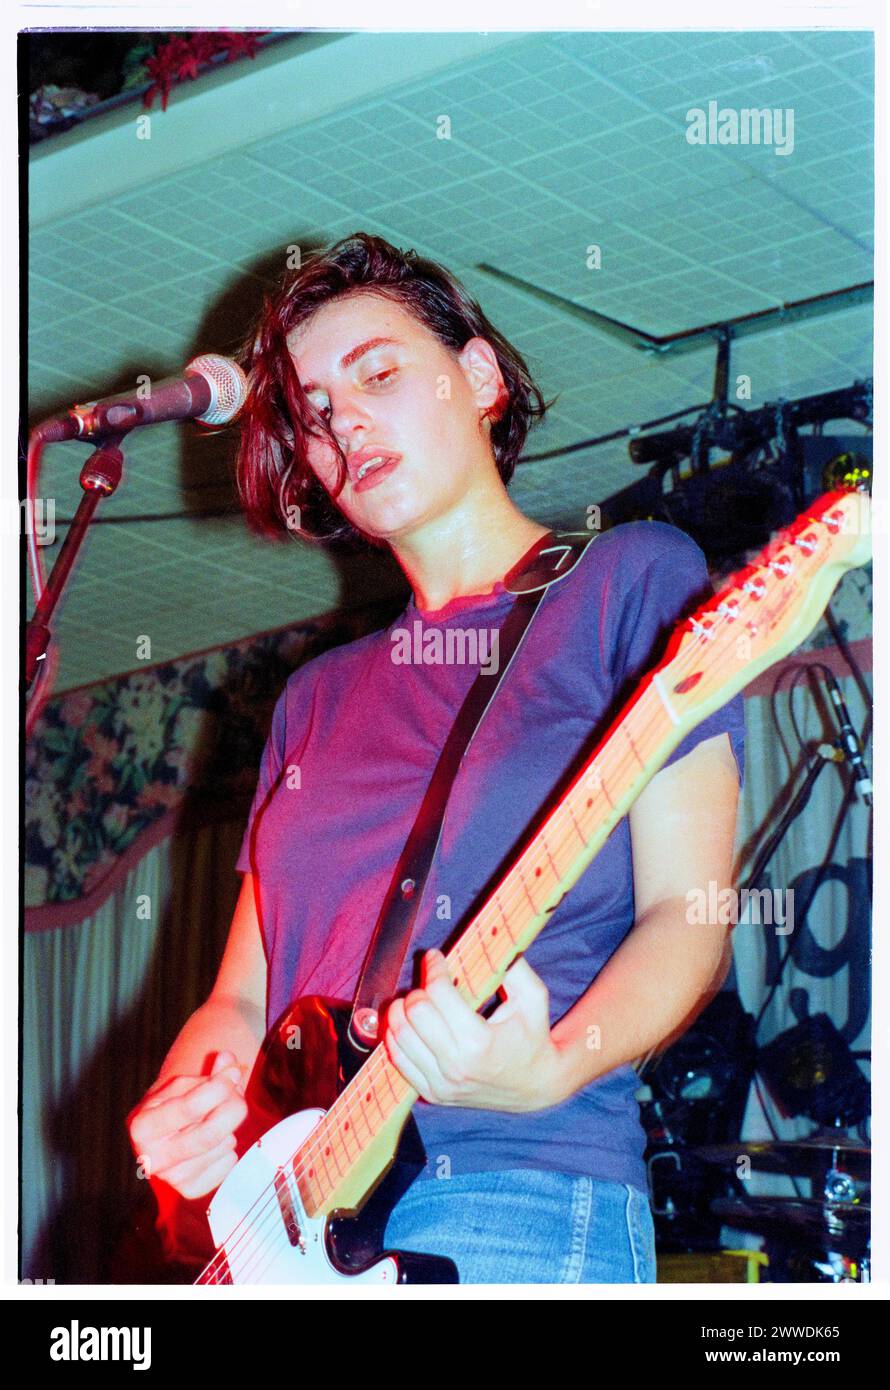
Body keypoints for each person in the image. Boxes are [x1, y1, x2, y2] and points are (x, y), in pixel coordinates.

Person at [127, 232, 745, 1284]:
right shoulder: (313, 698)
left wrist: (549, 1064)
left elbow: (688, 918)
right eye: (315, 410)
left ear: (478, 377)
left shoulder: (631, 582)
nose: (342, 422)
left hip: (517, 1188)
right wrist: (179, 1115)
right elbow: (244, 1001)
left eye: (376, 374)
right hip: (277, 1231)